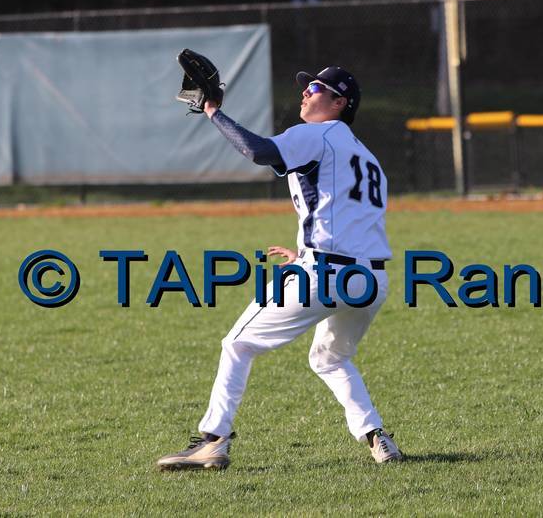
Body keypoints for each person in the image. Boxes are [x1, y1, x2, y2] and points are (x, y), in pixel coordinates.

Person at [156, 66, 403, 470]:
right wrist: (305, 252)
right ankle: (377, 437)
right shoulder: (367, 156)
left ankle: (213, 441)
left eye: (316, 88)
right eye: (305, 86)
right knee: (330, 359)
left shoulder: (318, 134)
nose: (305, 93)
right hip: (370, 279)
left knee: (237, 344)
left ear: (339, 103)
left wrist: (214, 111)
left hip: (325, 274)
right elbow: (350, 217)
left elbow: (257, 151)